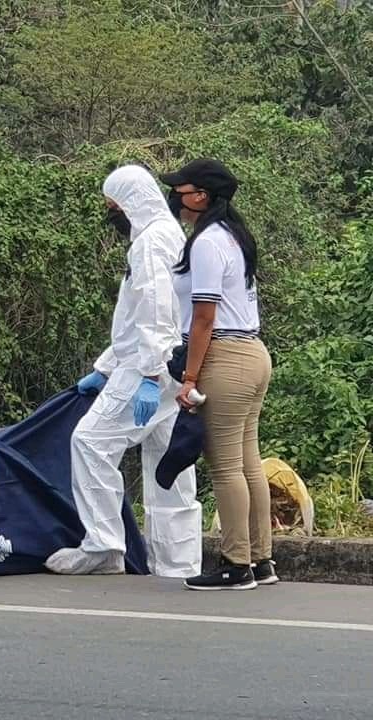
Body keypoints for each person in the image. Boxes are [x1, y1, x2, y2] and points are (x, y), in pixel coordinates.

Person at [46, 165, 203, 578]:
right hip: (175, 365)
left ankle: (103, 545)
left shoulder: (150, 243)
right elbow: (138, 318)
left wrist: (148, 375)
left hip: (150, 368)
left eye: (114, 206)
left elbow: (154, 310)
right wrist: (105, 366)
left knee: (90, 443)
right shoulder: (170, 235)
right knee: (170, 465)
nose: (112, 214)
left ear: (130, 203)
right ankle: (178, 564)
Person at [160, 158, 275, 590]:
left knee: (225, 467)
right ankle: (260, 559)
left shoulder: (208, 242)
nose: (177, 198)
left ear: (201, 196)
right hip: (252, 353)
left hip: (225, 355)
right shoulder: (234, 237)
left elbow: (203, 318)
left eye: (182, 190)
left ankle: (235, 563)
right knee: (247, 461)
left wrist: (189, 378)